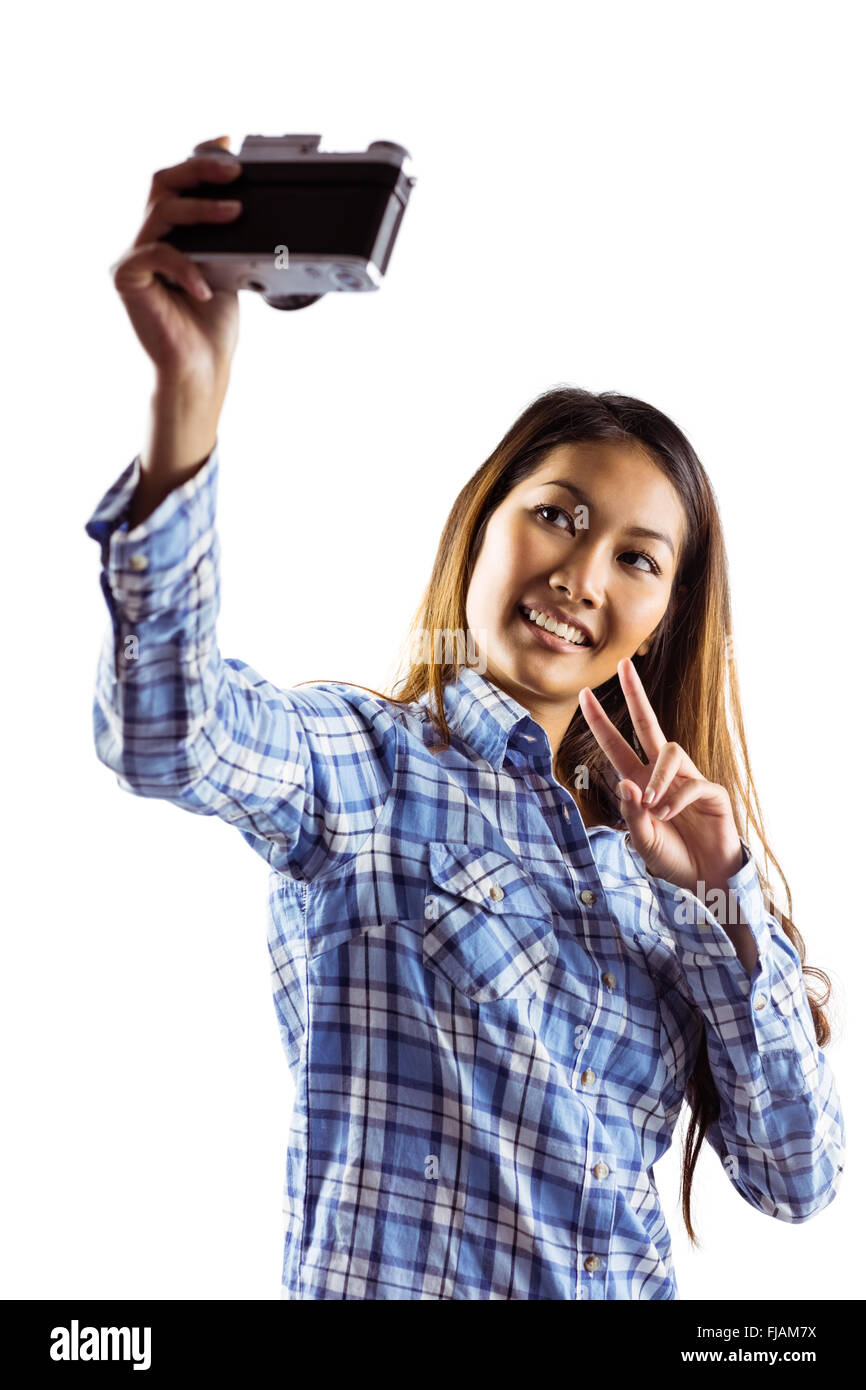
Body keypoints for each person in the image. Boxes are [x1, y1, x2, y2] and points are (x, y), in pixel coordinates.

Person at [86, 136, 845, 1301]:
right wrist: (184, 401)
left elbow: (796, 1177)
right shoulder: (363, 771)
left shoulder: (676, 878)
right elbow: (164, 730)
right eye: (556, 514)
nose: (580, 575)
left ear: (664, 612)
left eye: (634, 557)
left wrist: (718, 895)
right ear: (482, 524)